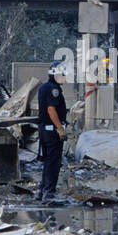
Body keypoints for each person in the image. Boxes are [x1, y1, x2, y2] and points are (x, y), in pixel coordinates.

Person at [36, 61, 68, 203]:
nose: (64, 77)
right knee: (53, 162)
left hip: (44, 129)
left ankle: (42, 191)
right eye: (62, 74)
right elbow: (51, 109)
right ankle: (49, 194)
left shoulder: (44, 87)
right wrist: (60, 129)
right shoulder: (53, 89)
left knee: (48, 161)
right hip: (51, 130)